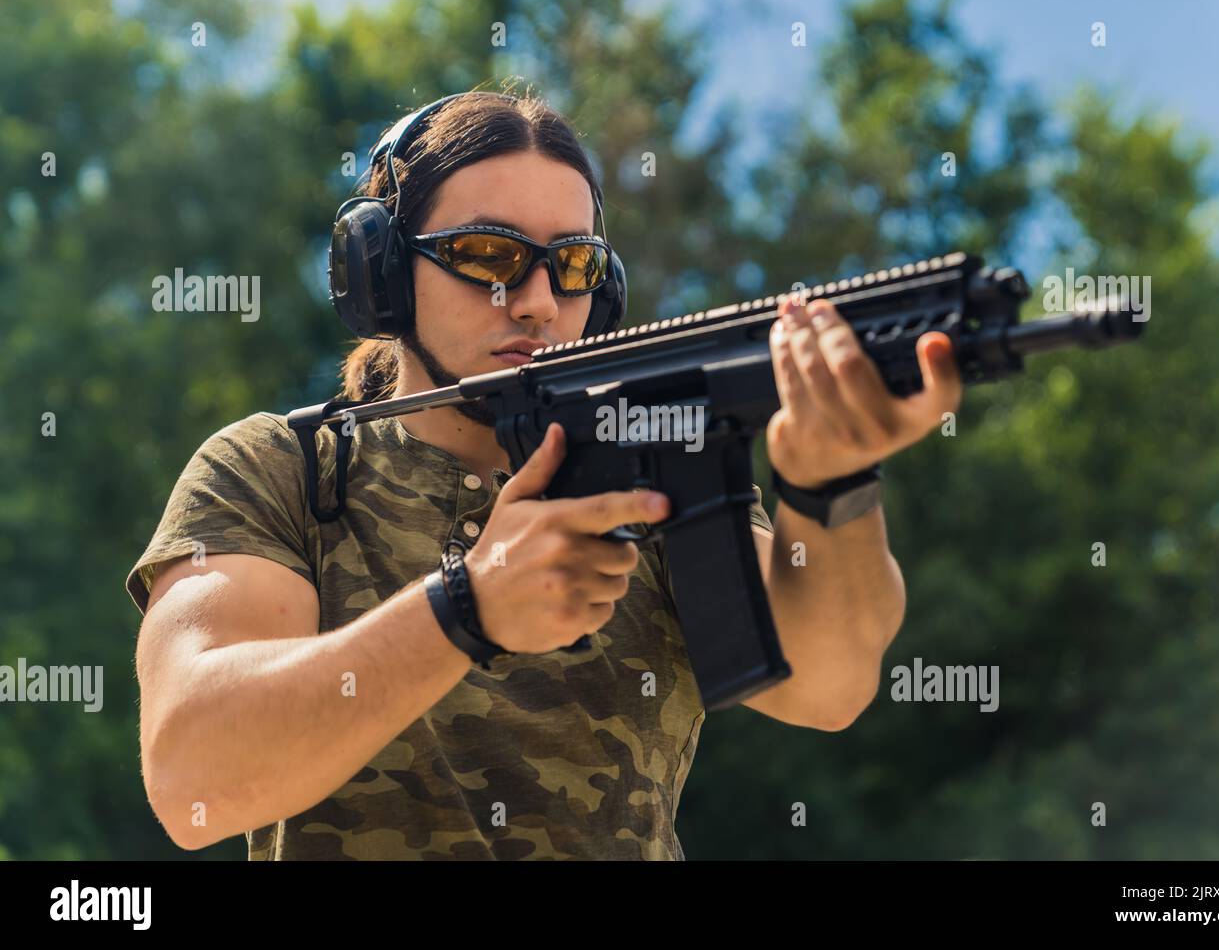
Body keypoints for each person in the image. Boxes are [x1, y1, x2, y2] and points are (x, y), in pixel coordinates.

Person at [125, 86, 962, 860]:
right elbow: (192, 778)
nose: (535, 300)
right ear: (379, 271)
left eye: (574, 266)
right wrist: (466, 606)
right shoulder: (281, 471)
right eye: (488, 255)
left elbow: (828, 685)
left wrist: (831, 486)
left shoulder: (648, 463)